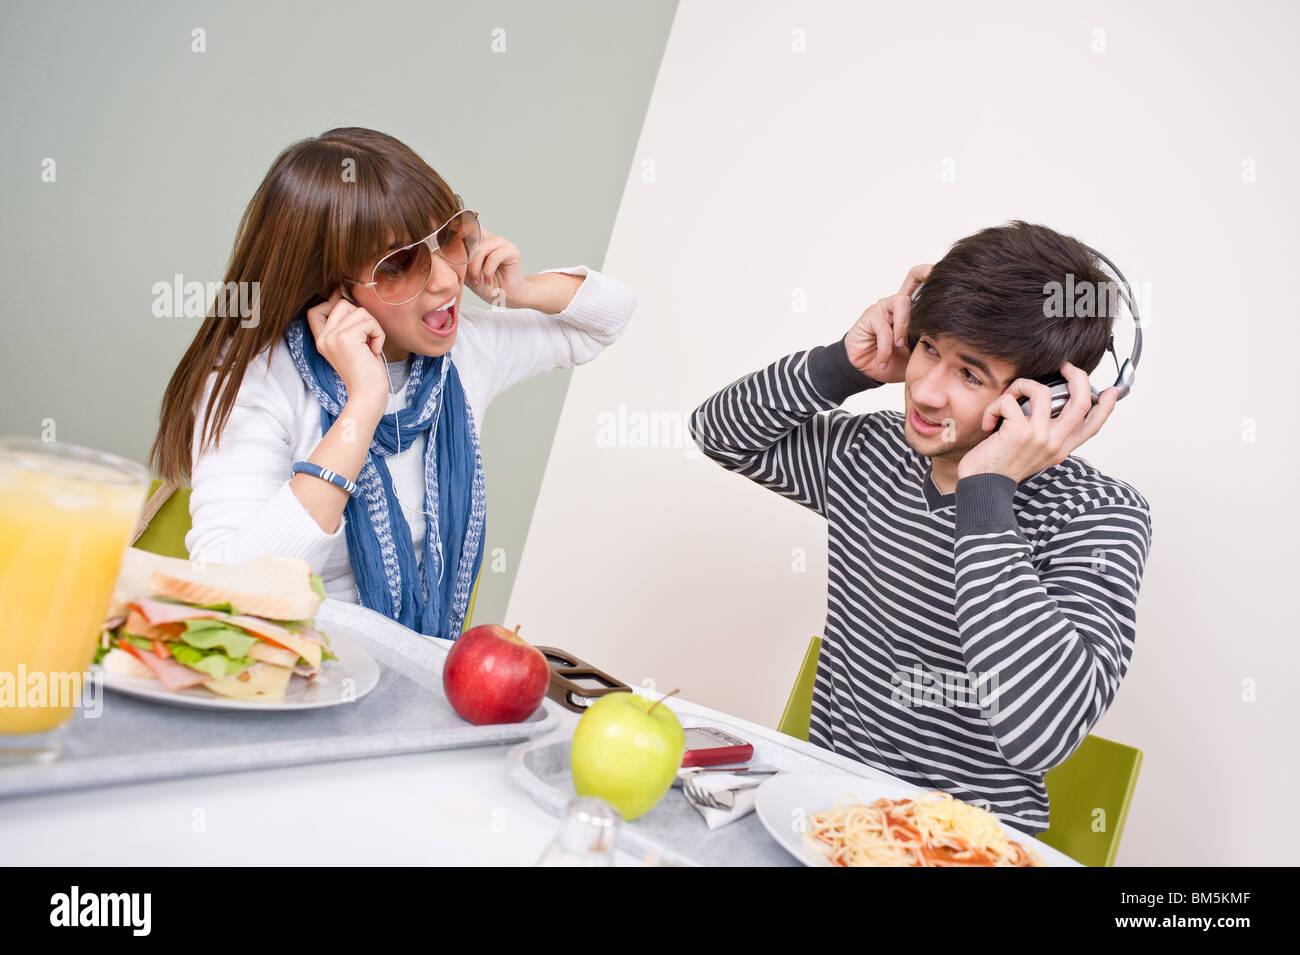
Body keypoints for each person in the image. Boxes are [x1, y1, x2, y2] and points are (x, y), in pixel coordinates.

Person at [688, 220, 1153, 834]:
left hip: (962, 842)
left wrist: (988, 492)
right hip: (821, 815)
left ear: (1052, 400)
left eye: (970, 374)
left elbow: (1042, 732)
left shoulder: (1098, 514)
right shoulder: (872, 454)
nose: (926, 392)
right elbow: (718, 432)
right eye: (930, 347)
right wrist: (842, 367)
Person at [148, 127, 637, 639]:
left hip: (415, 674)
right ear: (329, 289)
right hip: (291, 677)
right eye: (401, 264)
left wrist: (520, 290)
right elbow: (233, 590)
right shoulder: (256, 379)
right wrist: (363, 404)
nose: (447, 280)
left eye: (449, 238)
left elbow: (609, 316)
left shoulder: (465, 351)